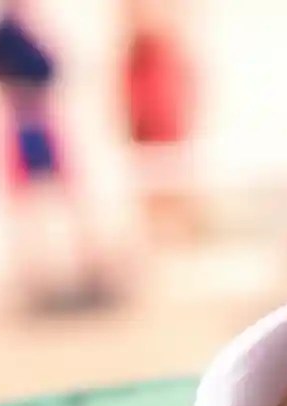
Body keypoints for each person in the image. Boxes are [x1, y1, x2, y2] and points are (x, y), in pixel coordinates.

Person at [0, 0, 112, 311]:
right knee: (33, 207)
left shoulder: (26, 33)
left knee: (69, 199)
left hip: (39, 121)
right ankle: (42, 281)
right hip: (23, 123)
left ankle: (86, 272)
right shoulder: (2, 36)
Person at [123, 0, 198, 245]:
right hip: (149, 140)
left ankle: (176, 234)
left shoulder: (169, 54)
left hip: (171, 136)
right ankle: (165, 235)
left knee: (175, 192)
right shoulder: (137, 57)